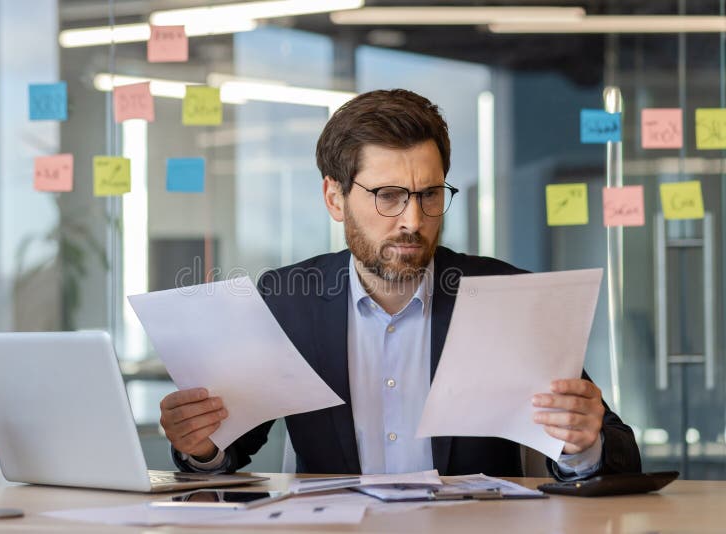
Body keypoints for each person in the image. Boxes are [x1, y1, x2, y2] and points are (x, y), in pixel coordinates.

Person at [159, 89, 642, 478]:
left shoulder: (502, 295)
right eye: (389, 195)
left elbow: (616, 450)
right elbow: (230, 446)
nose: (413, 219)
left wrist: (584, 442)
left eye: (430, 194)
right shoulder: (287, 300)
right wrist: (202, 446)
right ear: (334, 197)